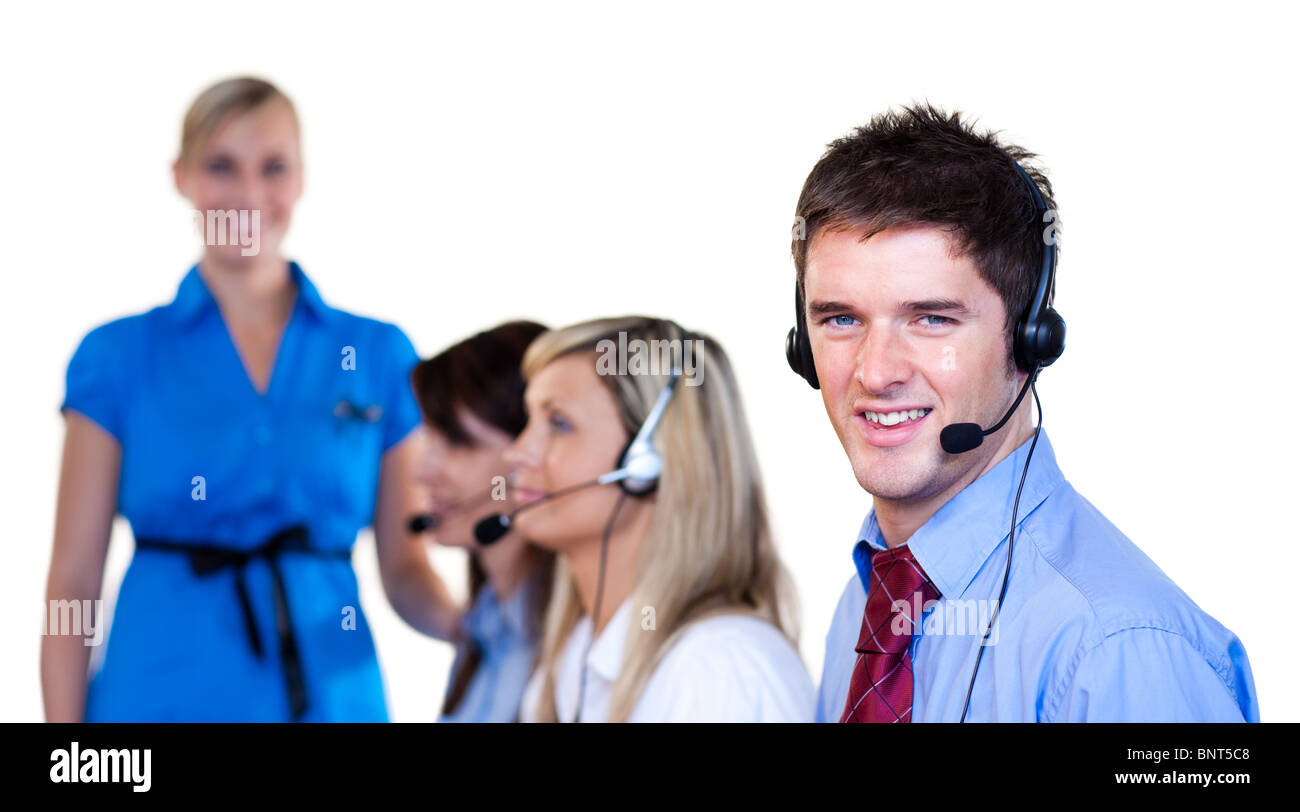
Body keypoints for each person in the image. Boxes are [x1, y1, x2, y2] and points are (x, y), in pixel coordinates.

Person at [789, 103, 1258, 722]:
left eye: (932, 319)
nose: (876, 372)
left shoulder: (1123, 652)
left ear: (1031, 337)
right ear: (801, 343)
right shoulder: (868, 601)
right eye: (841, 319)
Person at [42, 76, 459, 722]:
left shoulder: (377, 354)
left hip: (333, 700)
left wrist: (484, 629)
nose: (248, 194)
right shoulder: (116, 357)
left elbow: (405, 570)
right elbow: (73, 582)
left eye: (273, 167)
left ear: (302, 178)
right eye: (221, 166)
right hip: (156, 701)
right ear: (181, 177)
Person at [513, 316, 814, 722]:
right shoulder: (575, 655)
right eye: (528, 421)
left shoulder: (720, 669)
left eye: (558, 423)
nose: (516, 453)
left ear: (648, 462)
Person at [409, 321, 558, 722]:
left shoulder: (566, 645)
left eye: (457, 442)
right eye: (428, 437)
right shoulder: (484, 628)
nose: (423, 471)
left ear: (528, 452)